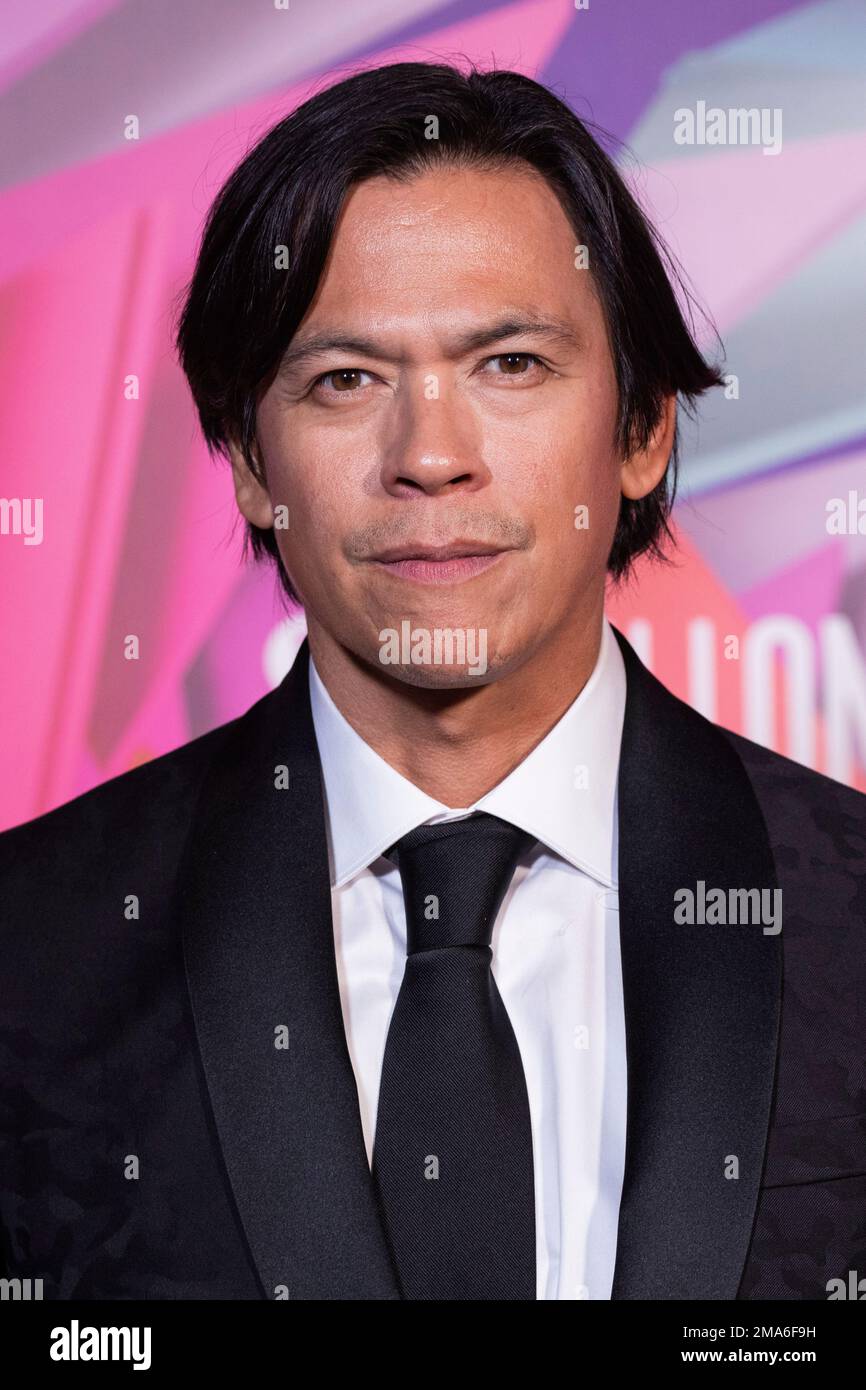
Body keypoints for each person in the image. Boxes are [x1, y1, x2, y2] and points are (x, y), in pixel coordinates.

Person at [1, 62, 864, 1302]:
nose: (430, 455)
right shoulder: (34, 947)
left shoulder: (842, 912)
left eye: (508, 364)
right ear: (249, 459)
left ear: (640, 429)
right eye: (345, 381)